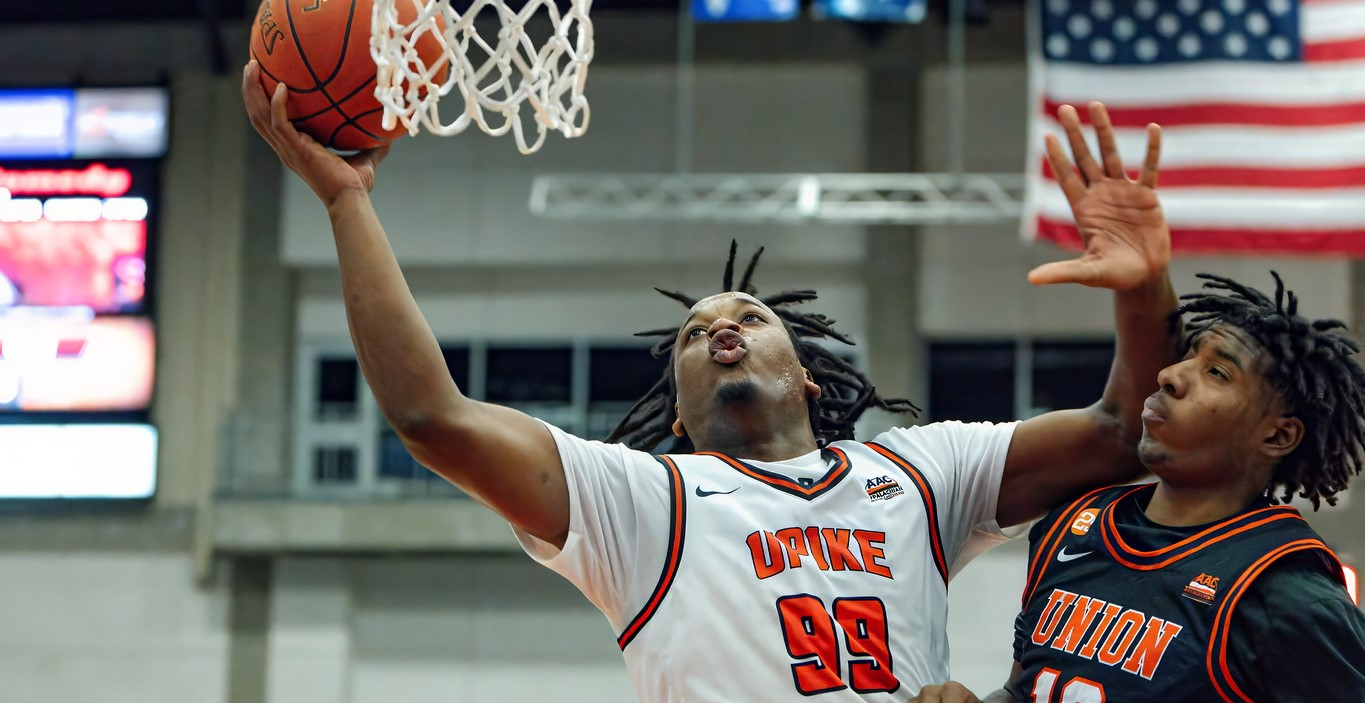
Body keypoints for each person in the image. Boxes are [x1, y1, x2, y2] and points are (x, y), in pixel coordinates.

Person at [243, 58, 1178, 701]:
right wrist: (346, 202)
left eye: (749, 319)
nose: (720, 328)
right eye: (693, 333)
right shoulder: (643, 501)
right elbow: (430, 416)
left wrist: (1144, 290)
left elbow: (1119, 434)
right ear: (680, 419)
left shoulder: (920, 473)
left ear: (809, 380)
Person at [912, 275, 1365, 703]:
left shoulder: (1287, 596)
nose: (1170, 374)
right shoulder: (1069, 525)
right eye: (1187, 357)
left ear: (1278, 435)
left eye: (1217, 372)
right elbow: (1020, 690)